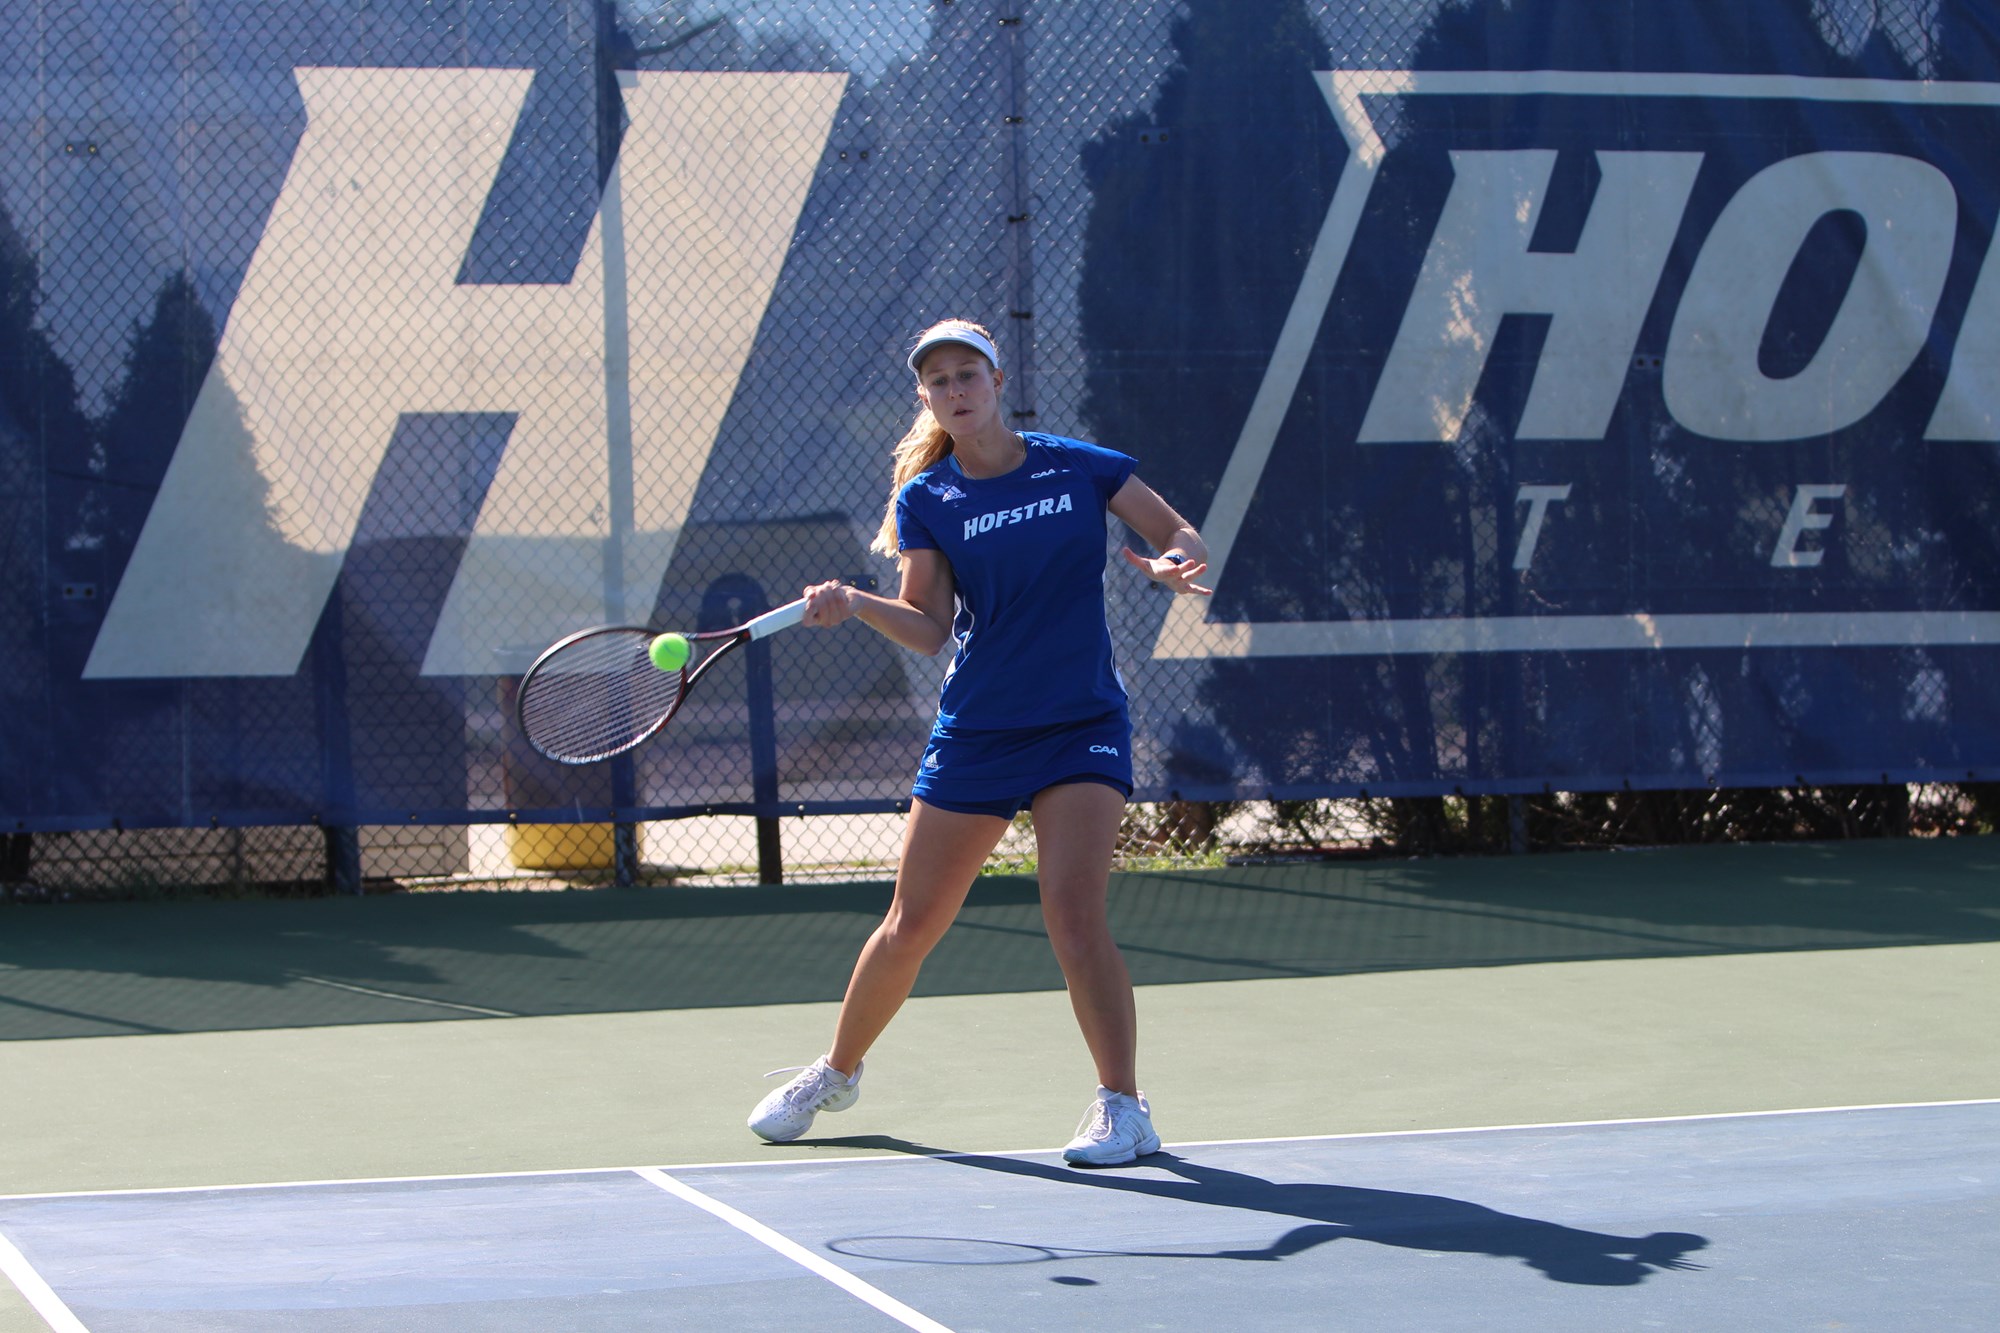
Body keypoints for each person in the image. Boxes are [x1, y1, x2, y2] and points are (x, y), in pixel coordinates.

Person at [746, 318, 1212, 1166]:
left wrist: (1172, 560)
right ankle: (837, 1072)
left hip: (1079, 723)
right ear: (926, 398)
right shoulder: (927, 499)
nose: (956, 391)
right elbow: (928, 629)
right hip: (979, 730)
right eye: (939, 381)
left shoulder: (1080, 465)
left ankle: (1125, 1106)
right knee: (911, 921)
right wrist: (855, 601)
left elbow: (1180, 531)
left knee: (1074, 916)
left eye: (969, 374)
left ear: (998, 381)